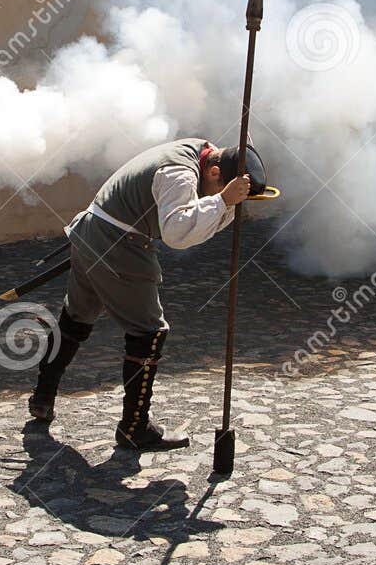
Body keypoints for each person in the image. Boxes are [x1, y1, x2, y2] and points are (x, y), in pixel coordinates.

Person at [27, 139, 266, 451]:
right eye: (217, 185)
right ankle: (134, 428)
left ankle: (43, 397)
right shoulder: (180, 174)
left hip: (92, 232)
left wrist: (225, 200)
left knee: (76, 318)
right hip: (118, 241)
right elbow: (177, 232)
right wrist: (222, 202)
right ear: (215, 171)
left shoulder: (201, 150)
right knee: (149, 332)